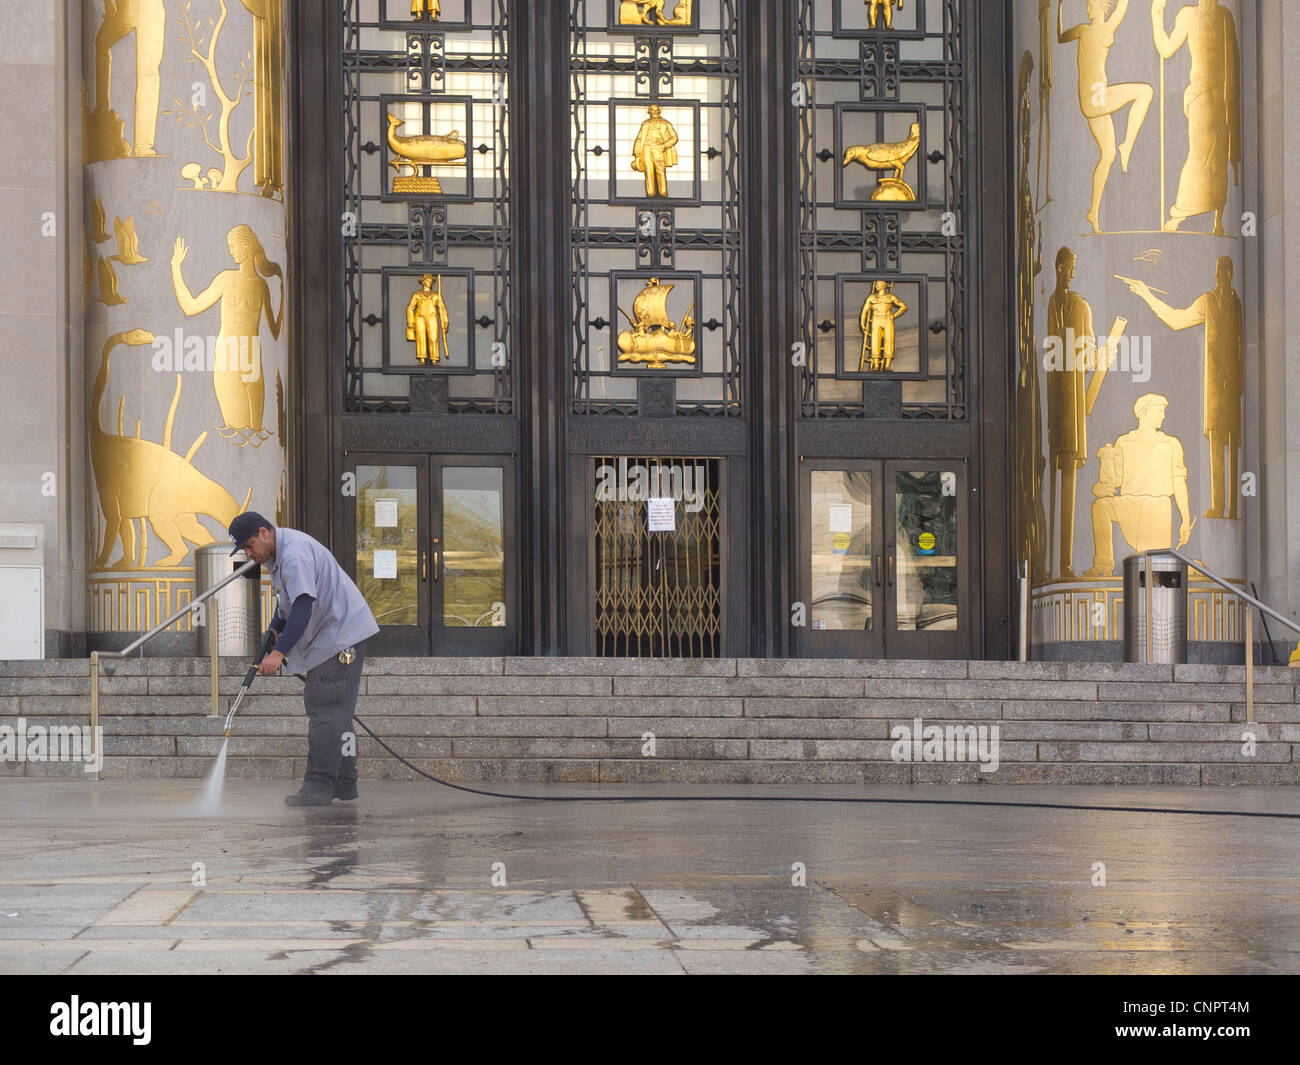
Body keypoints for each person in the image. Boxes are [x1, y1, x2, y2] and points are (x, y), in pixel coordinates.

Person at [229, 512, 380, 806]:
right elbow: (287, 604)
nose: (248, 554)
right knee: (337, 713)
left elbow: (303, 605)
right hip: (337, 635)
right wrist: (276, 628)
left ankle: (318, 787)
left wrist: (279, 652)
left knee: (325, 708)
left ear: (264, 532)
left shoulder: (295, 554)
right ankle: (345, 784)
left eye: (248, 546)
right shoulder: (280, 555)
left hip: (339, 636)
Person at [1121, 256, 1243, 518]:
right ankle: (1220, 505)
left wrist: (1238, 378)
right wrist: (1146, 294)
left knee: (1232, 440)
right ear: (1215, 274)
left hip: (1232, 384)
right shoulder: (1207, 301)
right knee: (1215, 439)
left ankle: (1232, 507)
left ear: (1231, 273)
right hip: (1213, 384)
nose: (1222, 275)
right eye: (1219, 270)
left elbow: (1242, 343)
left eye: (1226, 270)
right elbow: (1176, 319)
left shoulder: (1236, 303)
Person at [1058, 0, 1153, 234]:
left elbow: (1122, 6)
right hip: (1097, 97)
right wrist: (1059, 5)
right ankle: (1127, 145)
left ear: (1100, 7)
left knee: (1107, 155)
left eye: (1090, 4)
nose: (1087, 8)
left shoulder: (1092, 29)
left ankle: (1093, 212)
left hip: (1092, 100)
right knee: (1145, 92)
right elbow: (1061, 37)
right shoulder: (1093, 29)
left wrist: (1058, 6)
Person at [1083, 393, 1192, 576]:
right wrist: (1100, 488)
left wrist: (1186, 520)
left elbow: (1179, 483)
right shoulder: (1124, 442)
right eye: (1159, 411)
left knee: (1156, 572)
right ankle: (1103, 566)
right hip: (1129, 505)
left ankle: (1187, 571)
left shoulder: (1171, 444)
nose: (1163, 416)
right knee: (1100, 506)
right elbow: (1114, 481)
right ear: (1143, 412)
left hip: (1157, 508)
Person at [631, 105, 679, 198]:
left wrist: (664, 145)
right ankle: (650, 193)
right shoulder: (645, 123)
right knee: (648, 171)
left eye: (657, 110)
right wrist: (637, 154)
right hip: (646, 148)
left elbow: (674, 137)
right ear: (649, 111)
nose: (655, 112)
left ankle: (663, 192)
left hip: (658, 148)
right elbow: (639, 138)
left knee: (660, 170)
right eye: (652, 110)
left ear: (659, 111)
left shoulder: (665, 123)